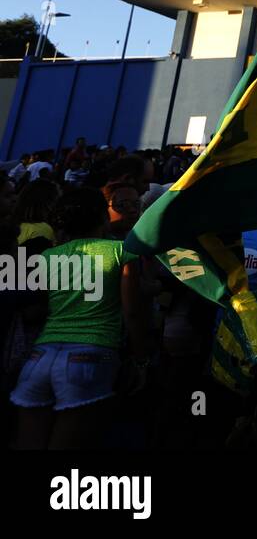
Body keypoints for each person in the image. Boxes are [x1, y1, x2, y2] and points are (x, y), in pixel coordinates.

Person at [9, 188, 153, 449]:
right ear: (103, 217)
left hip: (38, 359)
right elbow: (133, 313)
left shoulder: (46, 257)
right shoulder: (121, 251)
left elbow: (36, 310)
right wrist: (142, 361)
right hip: (91, 358)